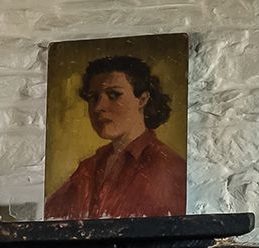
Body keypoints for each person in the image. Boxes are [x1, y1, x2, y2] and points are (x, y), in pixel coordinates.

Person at [44, 53, 186, 220]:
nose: (98, 107)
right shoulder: (90, 167)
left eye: (114, 95)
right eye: (93, 97)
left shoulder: (168, 167)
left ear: (142, 99)